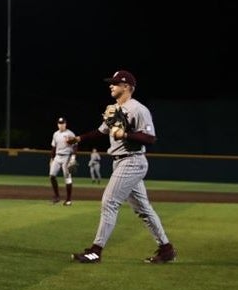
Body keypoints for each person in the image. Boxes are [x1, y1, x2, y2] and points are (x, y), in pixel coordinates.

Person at [68, 70, 176, 264]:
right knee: (144, 209)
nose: (111, 85)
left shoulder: (138, 109)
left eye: (116, 83)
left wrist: (125, 135)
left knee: (109, 202)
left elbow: (150, 138)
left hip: (132, 160)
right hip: (121, 161)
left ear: (127, 87)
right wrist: (79, 138)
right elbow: (100, 131)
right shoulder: (113, 108)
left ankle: (96, 251)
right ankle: (166, 249)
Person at [48, 117, 77, 205]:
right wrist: (52, 159)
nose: (61, 125)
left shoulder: (70, 133)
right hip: (57, 157)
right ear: (58, 124)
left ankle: (68, 200)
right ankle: (57, 197)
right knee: (52, 176)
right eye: (60, 123)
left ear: (65, 124)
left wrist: (73, 157)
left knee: (67, 178)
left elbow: (75, 146)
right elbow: (54, 147)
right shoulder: (55, 134)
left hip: (67, 157)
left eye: (62, 123)